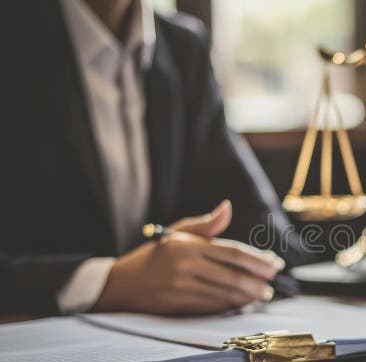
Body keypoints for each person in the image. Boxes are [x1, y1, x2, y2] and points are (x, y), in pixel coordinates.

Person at [0, 1, 307, 315]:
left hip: (170, 349)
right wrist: (111, 281)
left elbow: (269, 237)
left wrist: (200, 257)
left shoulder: (182, 45)